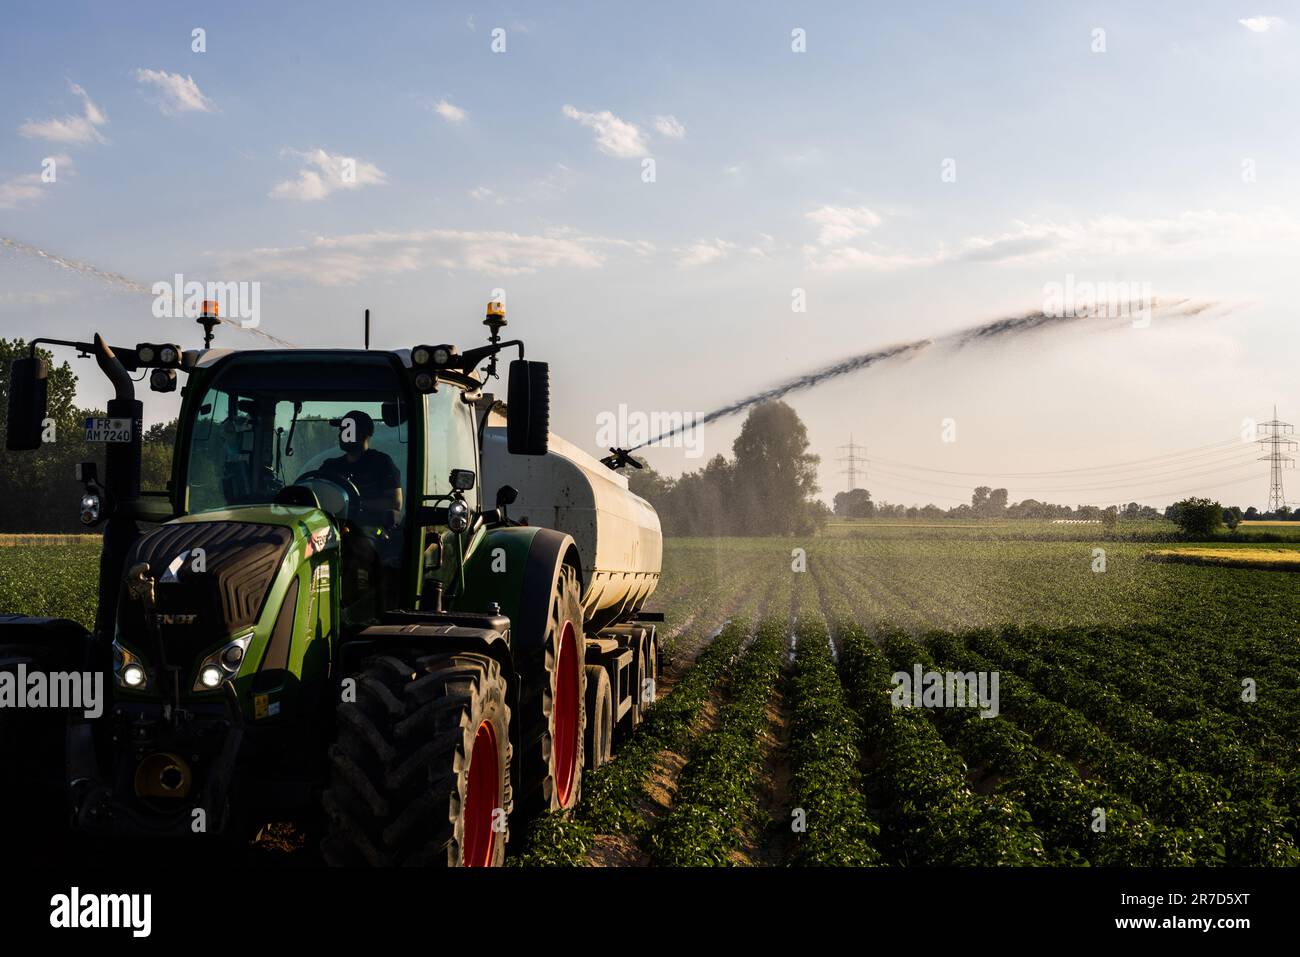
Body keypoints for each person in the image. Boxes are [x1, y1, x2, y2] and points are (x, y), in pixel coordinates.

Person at [318, 410, 403, 528]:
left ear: (364, 434)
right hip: (332, 530)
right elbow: (314, 492)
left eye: (347, 430)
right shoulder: (330, 466)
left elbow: (395, 503)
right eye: (341, 430)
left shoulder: (381, 463)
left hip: (371, 532)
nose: (340, 435)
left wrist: (355, 503)